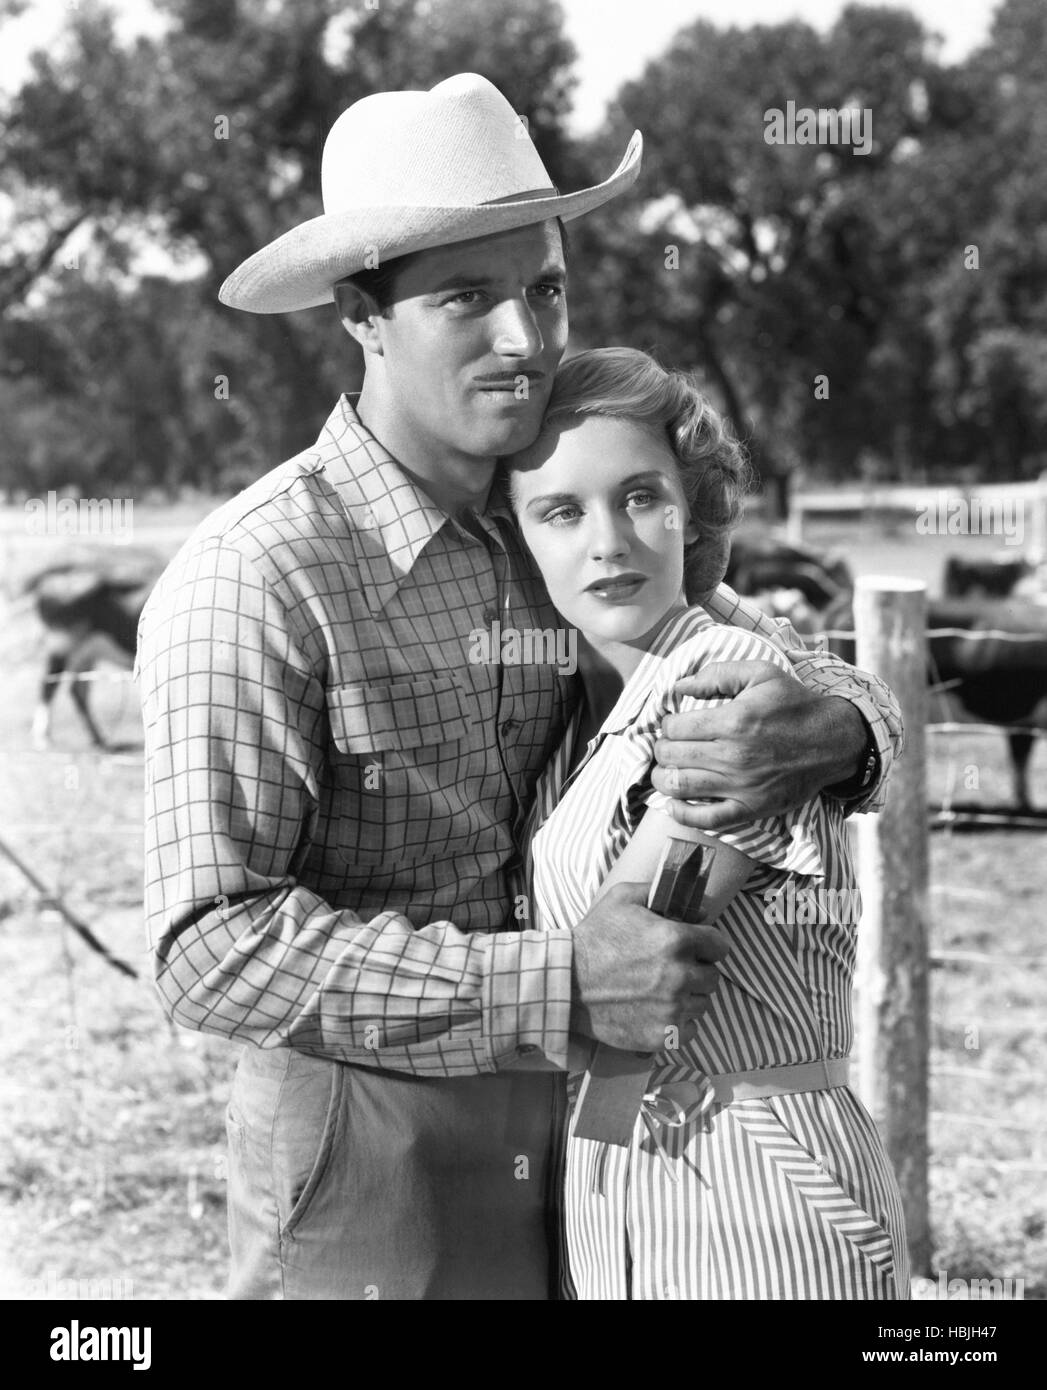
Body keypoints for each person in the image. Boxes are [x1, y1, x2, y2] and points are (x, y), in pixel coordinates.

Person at [136, 73, 902, 1301]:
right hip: (371, 1150)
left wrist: (848, 726)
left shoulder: (552, 511)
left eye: (544, 288)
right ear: (362, 315)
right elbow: (205, 946)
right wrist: (561, 984)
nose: (526, 339)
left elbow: (756, 660)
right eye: (466, 299)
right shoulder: (259, 574)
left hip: (589, 1155)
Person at [509, 346, 909, 1300]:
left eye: (641, 497)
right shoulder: (595, 695)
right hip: (629, 1178)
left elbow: (631, 947)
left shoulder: (725, 679)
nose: (607, 541)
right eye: (561, 512)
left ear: (690, 509)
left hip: (757, 1177)